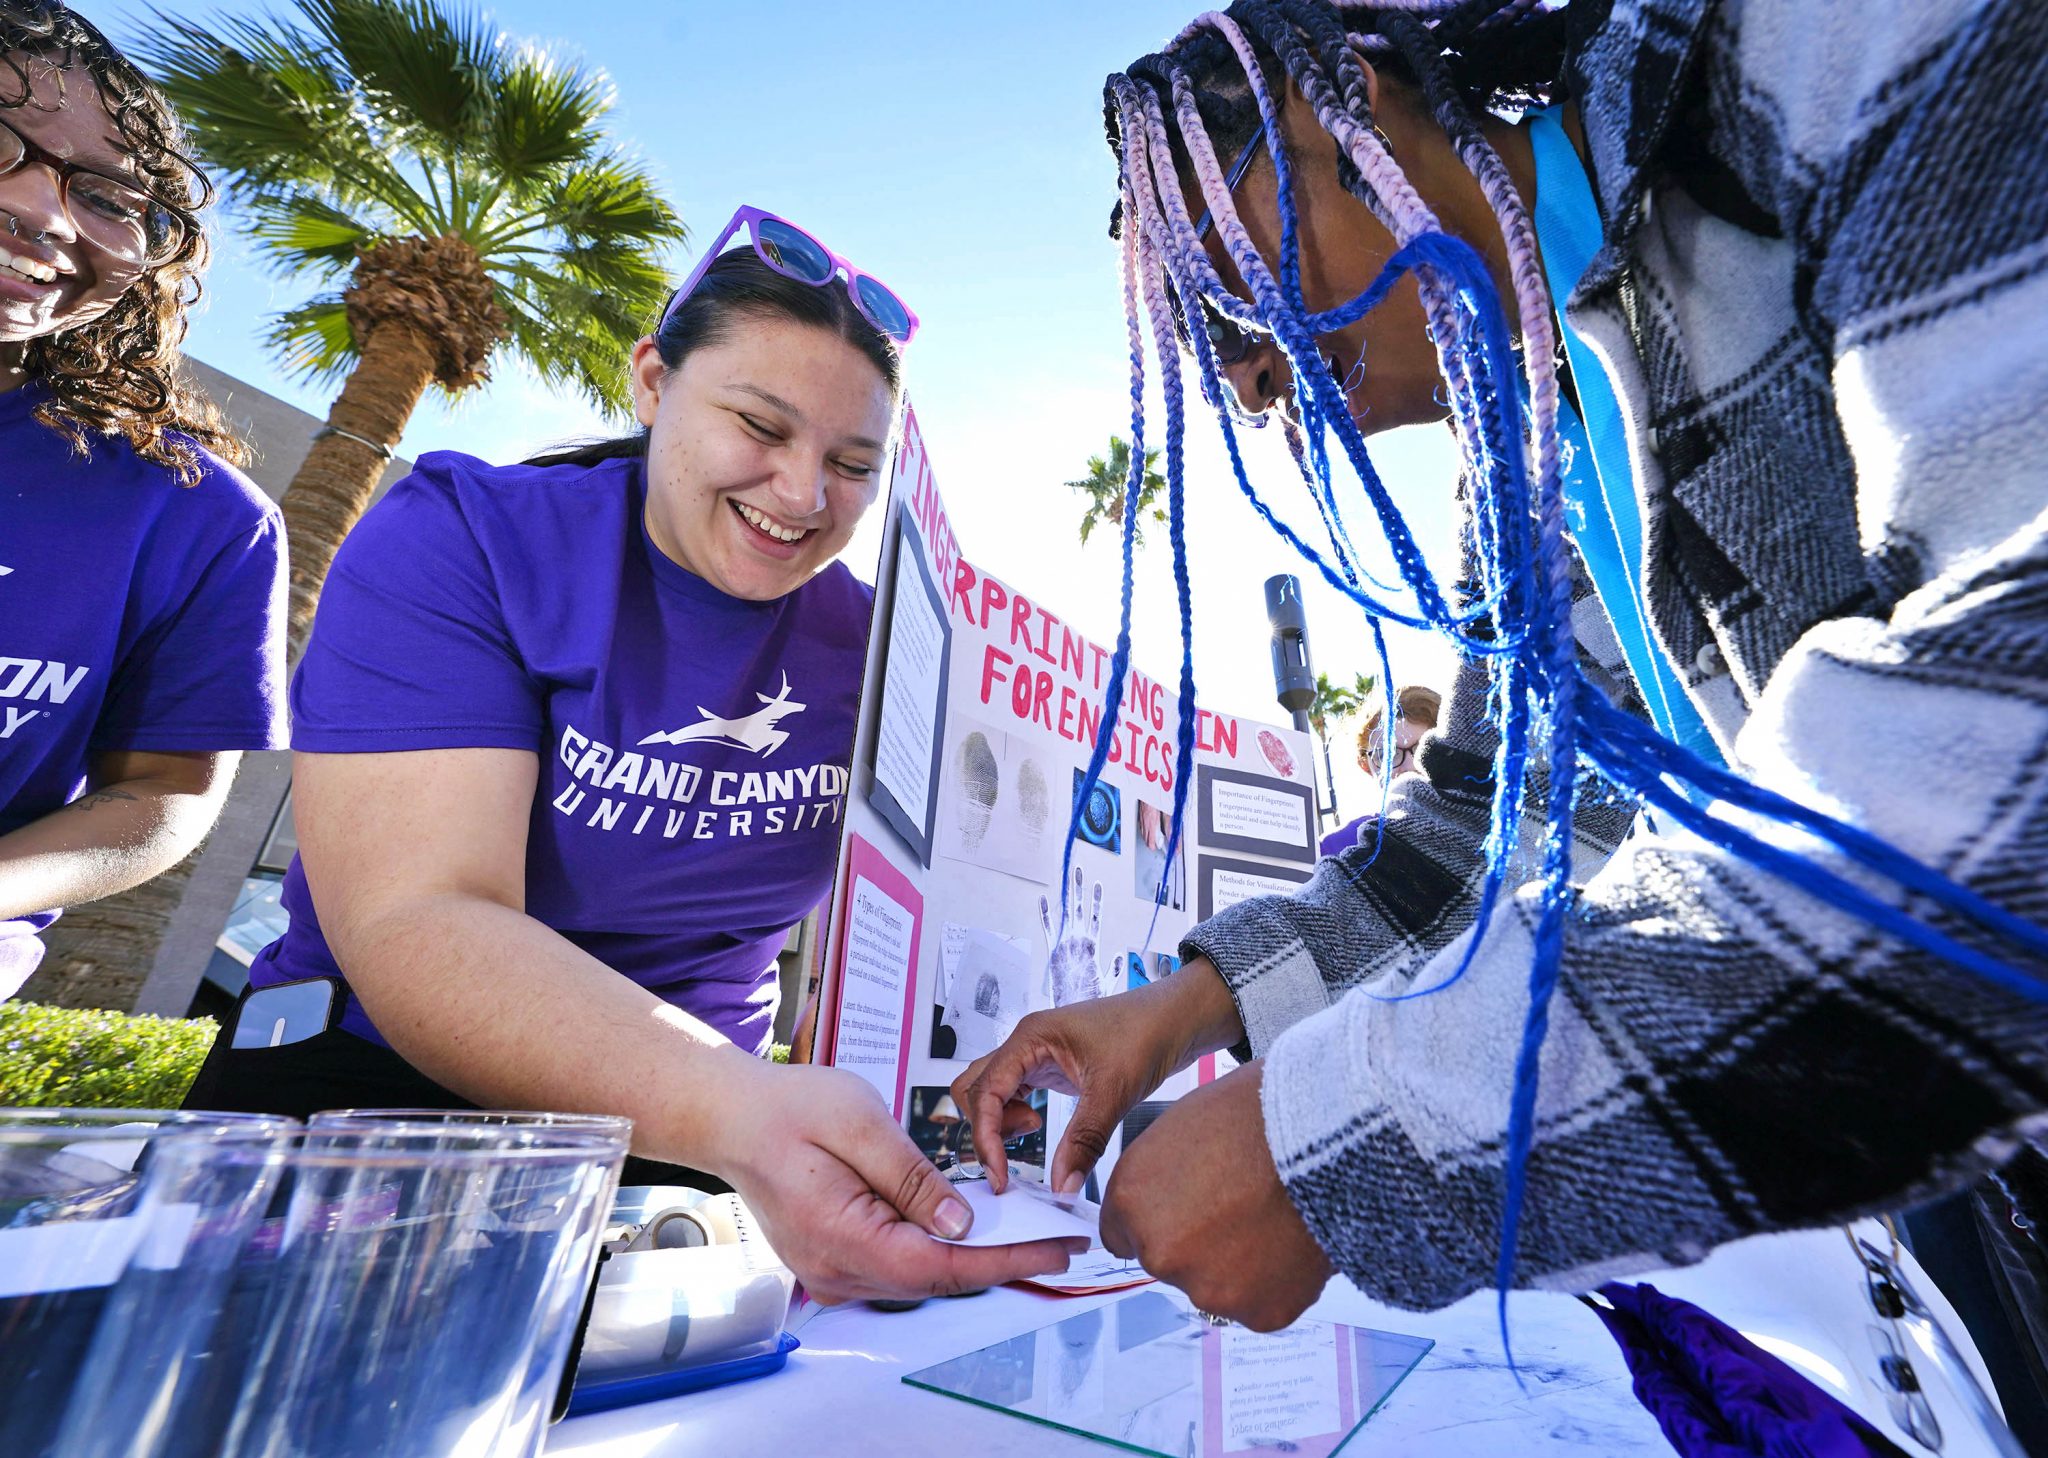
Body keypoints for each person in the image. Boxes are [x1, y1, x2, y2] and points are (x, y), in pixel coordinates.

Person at [958, 0, 2048, 1355]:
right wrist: (1179, 1012)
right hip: (1954, 1152)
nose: (1251, 382)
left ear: (1330, 105)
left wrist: (1342, 1141)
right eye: (1211, 356)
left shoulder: (1833, 46)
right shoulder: (1524, 453)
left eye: (1235, 285)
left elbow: (2011, 755)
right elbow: (1485, 823)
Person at [183, 207, 1079, 1304]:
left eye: (852, 464)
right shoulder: (469, 538)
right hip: (371, 1096)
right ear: (653, 384)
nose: (802, 496)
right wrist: (741, 1113)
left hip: (689, 1147)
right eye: (759, 425)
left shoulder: (883, 649)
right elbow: (419, 921)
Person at [0, 0, 285, 1000]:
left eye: (110, 196)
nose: (43, 210)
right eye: (6, 143)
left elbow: (161, 791)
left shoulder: (197, 516)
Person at [1317, 681, 1439, 856]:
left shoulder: (1487, 834)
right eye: (1387, 755)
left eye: (1424, 749)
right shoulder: (1334, 849)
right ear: (1365, 765)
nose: (1411, 766)